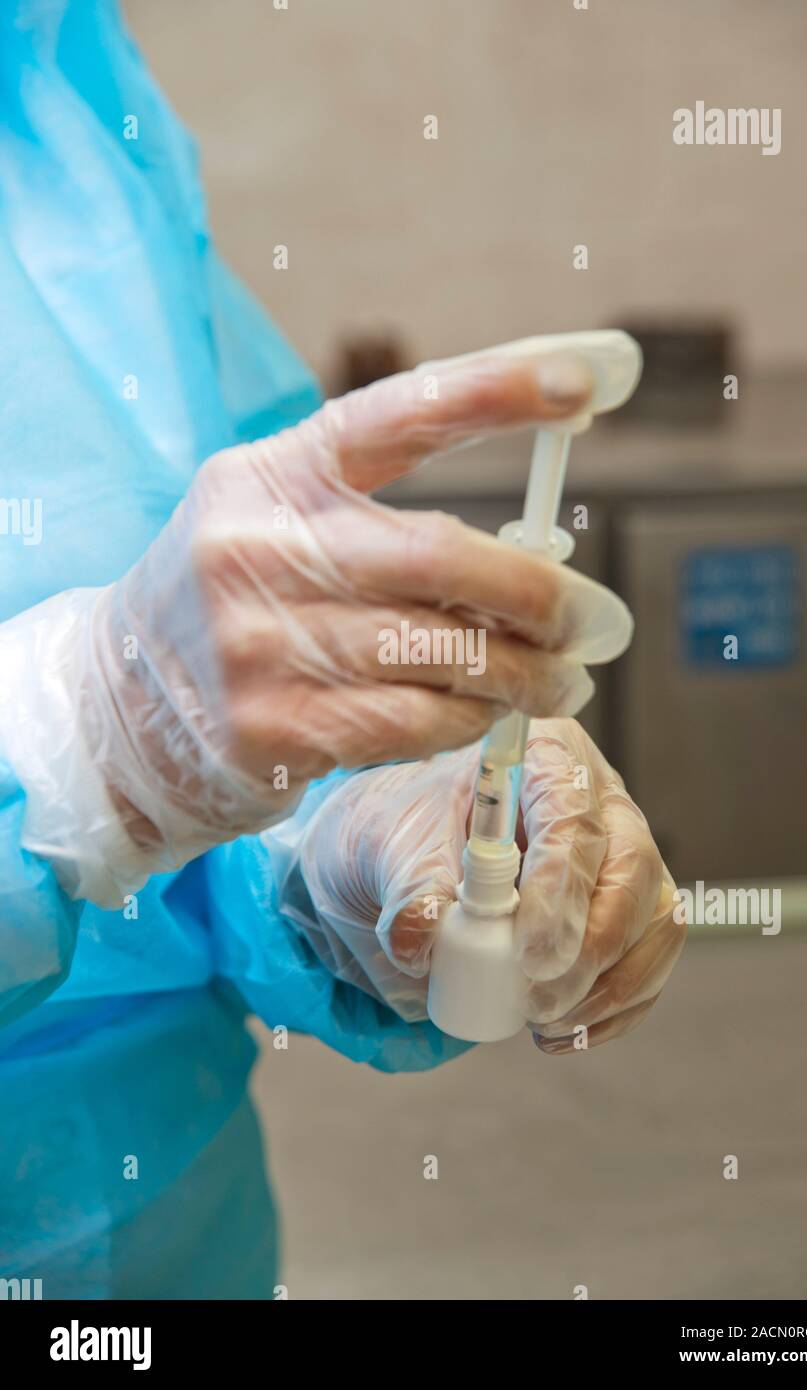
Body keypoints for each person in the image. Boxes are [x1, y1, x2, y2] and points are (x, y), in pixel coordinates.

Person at [0, 0, 684, 1298]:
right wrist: (70, 744)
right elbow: (123, 727)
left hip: (180, 1232)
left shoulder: (63, 78)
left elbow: (206, 717)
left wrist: (348, 835)